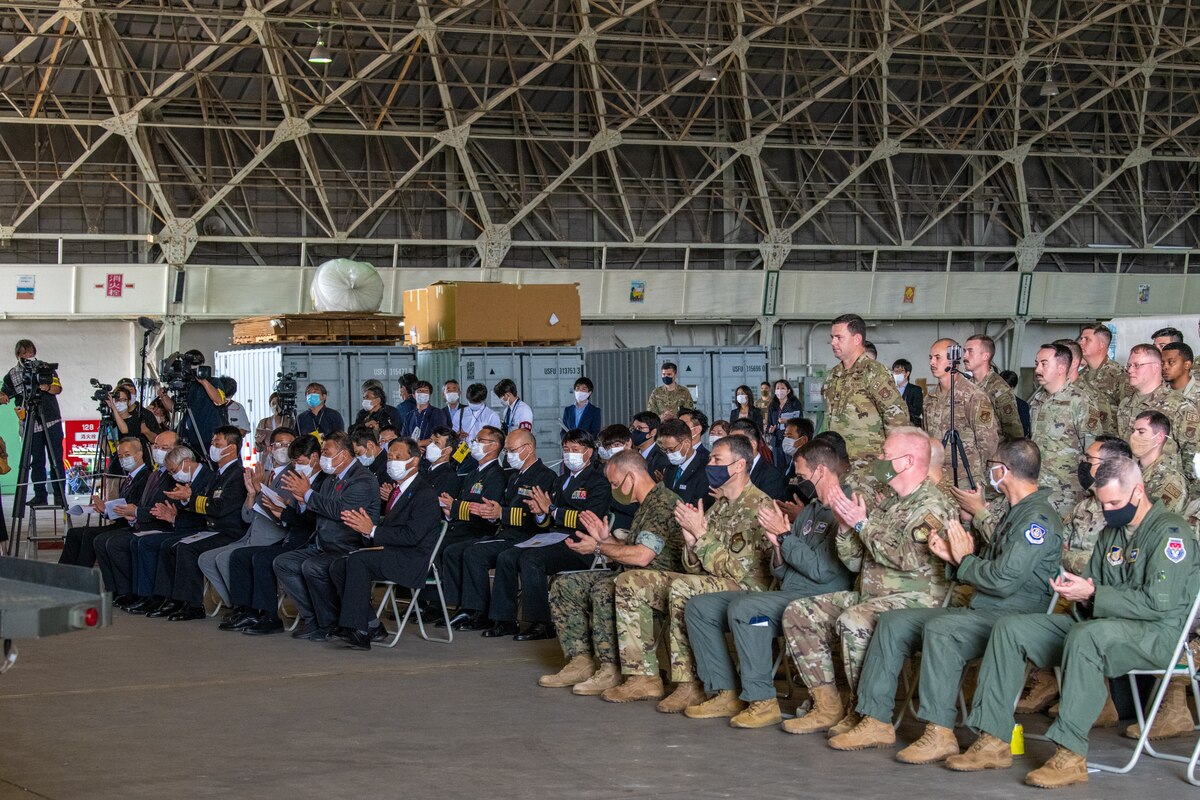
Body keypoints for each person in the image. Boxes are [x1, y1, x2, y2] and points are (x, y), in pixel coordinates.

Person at [948, 457, 1200, 789]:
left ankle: (1071, 754)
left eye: (1114, 503)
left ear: (1138, 491)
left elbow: (1158, 603)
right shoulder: (1112, 532)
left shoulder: (1171, 533)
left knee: (1086, 636)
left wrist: (1094, 594)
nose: (1108, 511)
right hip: (1103, 623)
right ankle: (994, 739)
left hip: (1158, 635)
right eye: (1103, 503)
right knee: (1011, 628)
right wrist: (1078, 593)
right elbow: (1095, 587)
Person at [828, 439, 1062, 762]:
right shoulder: (1013, 513)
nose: (988, 471)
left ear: (1004, 471)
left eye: (992, 464)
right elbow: (989, 569)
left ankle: (939, 731)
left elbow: (1004, 580)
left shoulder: (1038, 519)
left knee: (942, 628)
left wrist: (963, 561)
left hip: (1012, 614)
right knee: (893, 623)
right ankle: (875, 718)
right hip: (984, 607)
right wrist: (954, 557)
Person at [780, 426, 956, 736]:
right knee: (799, 612)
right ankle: (829, 705)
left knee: (854, 620)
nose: (879, 459)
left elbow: (905, 558)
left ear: (908, 461)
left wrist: (862, 524)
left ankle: (870, 715)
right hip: (873, 594)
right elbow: (856, 560)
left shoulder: (931, 505)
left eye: (886, 455)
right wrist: (848, 530)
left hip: (915, 601)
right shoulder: (890, 502)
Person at [682, 440, 854, 727]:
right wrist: (778, 544)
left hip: (821, 598)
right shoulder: (811, 509)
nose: (796, 482)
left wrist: (785, 538)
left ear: (821, 471)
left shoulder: (843, 509)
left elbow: (823, 572)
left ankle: (762, 700)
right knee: (700, 608)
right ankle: (725, 691)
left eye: (800, 476)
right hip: (788, 594)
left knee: (748, 611)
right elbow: (782, 572)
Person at [602, 434, 773, 710]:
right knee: (630, 581)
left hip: (747, 593)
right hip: (713, 584)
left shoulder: (759, 506)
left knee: (683, 588)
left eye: (718, 460)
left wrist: (702, 535)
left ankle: (689, 684)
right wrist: (692, 542)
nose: (710, 465)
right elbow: (694, 566)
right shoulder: (720, 508)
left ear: (739, 466)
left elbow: (738, 573)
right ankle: (642, 676)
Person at [540, 450, 686, 694]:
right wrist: (605, 539)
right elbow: (635, 550)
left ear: (631, 477)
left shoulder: (663, 503)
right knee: (564, 585)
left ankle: (612, 668)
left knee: (605, 588)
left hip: (660, 582)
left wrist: (598, 547)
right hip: (634, 574)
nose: (613, 488)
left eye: (615, 483)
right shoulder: (646, 503)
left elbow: (642, 556)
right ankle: (580, 661)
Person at [483, 429, 612, 641]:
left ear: (589, 452)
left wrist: (552, 510)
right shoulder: (561, 481)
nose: (570, 454)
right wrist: (541, 514)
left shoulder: (598, 482)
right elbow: (547, 519)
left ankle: (541, 622)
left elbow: (589, 519)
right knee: (506, 556)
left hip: (581, 542)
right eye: (566, 449)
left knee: (531, 559)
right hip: (553, 537)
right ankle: (504, 620)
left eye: (575, 450)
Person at [327, 437, 443, 650]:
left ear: (414, 461)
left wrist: (371, 530)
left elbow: (412, 536)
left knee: (358, 561)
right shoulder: (397, 491)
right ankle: (372, 625)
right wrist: (367, 528)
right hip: (392, 553)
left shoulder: (424, 494)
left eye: (398, 457)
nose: (392, 462)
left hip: (412, 559)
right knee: (338, 565)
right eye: (389, 457)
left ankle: (358, 631)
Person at [440, 427, 557, 631]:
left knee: (478, 553)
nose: (508, 455)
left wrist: (499, 514)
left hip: (529, 536)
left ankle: (492, 615)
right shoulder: (514, 478)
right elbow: (499, 509)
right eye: (508, 451)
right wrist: (492, 514)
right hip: (507, 533)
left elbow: (533, 517)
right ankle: (471, 608)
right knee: (459, 550)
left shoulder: (545, 476)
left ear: (528, 448)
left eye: (512, 450)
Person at [274, 431, 381, 641]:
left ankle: (330, 623)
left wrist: (308, 494)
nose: (322, 455)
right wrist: (303, 501)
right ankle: (314, 617)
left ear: (343, 454)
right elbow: (319, 512)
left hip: (349, 545)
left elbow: (341, 511)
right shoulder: (331, 480)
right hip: (324, 543)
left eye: (326, 451)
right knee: (283, 563)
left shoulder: (362, 479)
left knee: (312, 566)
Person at [150, 426, 249, 621]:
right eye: (212, 443)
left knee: (187, 549)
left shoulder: (237, 474)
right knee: (173, 546)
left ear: (231, 448)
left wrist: (190, 498)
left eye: (217, 443)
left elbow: (219, 507)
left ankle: (192, 605)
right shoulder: (220, 473)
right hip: (212, 529)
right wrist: (188, 499)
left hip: (230, 532)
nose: (212, 447)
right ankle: (174, 599)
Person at [229, 436, 325, 636]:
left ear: (314, 457)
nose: (296, 467)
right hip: (291, 535)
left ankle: (270, 616)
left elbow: (314, 519)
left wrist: (285, 512)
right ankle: (247, 610)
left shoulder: (323, 482)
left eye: (300, 462)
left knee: (263, 559)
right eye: (294, 462)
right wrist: (281, 508)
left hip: (308, 539)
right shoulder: (296, 479)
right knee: (241, 555)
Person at [200, 427, 296, 615]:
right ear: (269, 448)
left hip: (272, 537)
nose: (283, 449)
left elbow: (283, 516)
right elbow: (247, 516)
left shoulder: (293, 477)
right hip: (250, 535)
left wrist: (260, 491)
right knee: (207, 559)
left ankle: (245, 607)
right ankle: (237, 603)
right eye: (279, 444)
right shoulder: (267, 474)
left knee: (226, 558)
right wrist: (252, 495)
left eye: (289, 445)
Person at [95, 430, 178, 608]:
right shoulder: (156, 474)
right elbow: (142, 504)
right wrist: (130, 514)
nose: (159, 451)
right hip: (143, 522)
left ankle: (141, 593)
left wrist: (136, 513)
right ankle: (120, 590)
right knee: (103, 540)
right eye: (156, 446)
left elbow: (163, 509)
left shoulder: (174, 476)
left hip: (162, 525)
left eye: (165, 447)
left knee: (126, 543)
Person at [823, 314, 909, 465]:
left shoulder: (873, 371)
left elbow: (896, 416)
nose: (833, 342)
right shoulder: (833, 375)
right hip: (839, 463)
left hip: (869, 466)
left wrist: (892, 459)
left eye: (839, 337)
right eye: (832, 337)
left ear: (857, 339)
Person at [1118, 343, 1200, 501]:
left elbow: (1194, 459)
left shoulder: (1180, 406)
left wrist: (1192, 506)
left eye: (1137, 365)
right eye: (1129, 365)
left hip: (1166, 495)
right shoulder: (1125, 405)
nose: (1130, 370)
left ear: (1155, 367)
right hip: (1130, 492)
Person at [1028, 343, 1102, 516]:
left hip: (1068, 494)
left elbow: (1093, 452)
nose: (1038, 369)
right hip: (1039, 489)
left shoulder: (1080, 401)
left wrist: (1092, 491)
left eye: (1044, 364)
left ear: (1061, 368)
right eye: (1037, 363)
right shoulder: (1037, 400)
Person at [59, 436, 150, 568]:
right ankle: (63, 575)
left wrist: (107, 509)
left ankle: (80, 578)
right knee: (73, 533)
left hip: (132, 525)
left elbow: (134, 506)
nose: (123, 459)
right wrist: (103, 508)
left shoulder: (146, 476)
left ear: (139, 454)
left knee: (90, 535)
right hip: (121, 521)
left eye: (127, 455)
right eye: (120, 456)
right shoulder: (129, 477)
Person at [923, 338, 999, 492]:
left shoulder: (973, 396)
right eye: (930, 358)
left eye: (938, 358)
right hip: (937, 476)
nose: (932, 362)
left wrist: (985, 477)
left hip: (967, 476)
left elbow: (988, 441)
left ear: (953, 360)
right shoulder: (929, 399)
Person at [0, 339, 66, 505]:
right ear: (18, 355)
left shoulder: (45, 368)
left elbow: (58, 388)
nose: (28, 356)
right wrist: (3, 397)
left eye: (30, 352)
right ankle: (40, 496)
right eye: (24, 353)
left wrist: (47, 387)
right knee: (37, 461)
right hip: (30, 422)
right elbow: (3, 393)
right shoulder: (12, 374)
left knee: (56, 459)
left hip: (51, 420)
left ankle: (60, 495)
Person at [156, 349, 227, 456]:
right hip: (190, 436)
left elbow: (219, 400)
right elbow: (174, 408)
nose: (193, 369)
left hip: (209, 435)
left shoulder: (213, 382)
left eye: (197, 365)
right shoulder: (187, 384)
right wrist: (163, 396)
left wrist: (203, 381)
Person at [963, 334, 1024, 442]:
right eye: (965, 351)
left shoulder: (999, 389)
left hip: (994, 454)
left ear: (985, 356)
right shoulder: (967, 386)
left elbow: (1014, 432)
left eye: (970, 351)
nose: (965, 356)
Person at [1131, 411, 1188, 513]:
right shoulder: (1129, 470)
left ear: (1159, 437)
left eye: (1141, 432)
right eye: (1133, 431)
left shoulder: (1171, 479)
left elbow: (1158, 521)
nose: (1133, 436)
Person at [728, 419, 788, 500]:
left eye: (737, 443)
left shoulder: (772, 477)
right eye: (729, 443)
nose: (731, 448)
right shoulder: (730, 470)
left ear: (753, 444)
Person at [658, 418, 710, 508]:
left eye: (671, 449)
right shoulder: (669, 469)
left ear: (687, 444)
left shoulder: (706, 470)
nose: (668, 454)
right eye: (665, 450)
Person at [1076, 322, 1127, 413]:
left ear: (1101, 345)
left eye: (1087, 339)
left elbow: (1127, 411)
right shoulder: (1080, 374)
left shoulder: (1119, 374)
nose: (1081, 342)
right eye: (1081, 339)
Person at [765, 379, 803, 465]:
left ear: (788, 391)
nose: (780, 391)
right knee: (778, 467)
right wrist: (770, 430)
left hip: (790, 440)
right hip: (777, 441)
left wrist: (787, 421)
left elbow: (801, 422)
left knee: (791, 465)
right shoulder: (772, 406)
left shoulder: (795, 404)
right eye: (777, 388)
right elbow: (769, 424)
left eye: (782, 388)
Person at [421, 426, 464, 498]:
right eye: (431, 441)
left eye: (436, 443)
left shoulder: (449, 478)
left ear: (448, 450)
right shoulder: (422, 468)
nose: (431, 446)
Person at [404, 380, 450, 447]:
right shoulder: (409, 415)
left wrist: (418, 444)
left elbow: (441, 436)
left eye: (426, 391)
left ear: (429, 395)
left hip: (432, 453)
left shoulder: (438, 413)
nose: (423, 393)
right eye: (419, 391)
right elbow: (404, 438)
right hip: (412, 453)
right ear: (413, 395)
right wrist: (414, 448)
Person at [458, 382, 501, 446]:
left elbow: (496, 440)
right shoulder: (460, 413)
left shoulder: (492, 416)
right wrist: (458, 436)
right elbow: (453, 435)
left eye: (476, 403)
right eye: (471, 402)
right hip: (463, 453)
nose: (473, 404)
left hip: (483, 453)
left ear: (483, 399)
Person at [630, 410, 671, 478]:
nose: (634, 432)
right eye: (633, 428)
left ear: (653, 432)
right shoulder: (631, 454)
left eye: (639, 428)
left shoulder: (662, 459)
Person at [892, 359, 924, 429]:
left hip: (909, 427)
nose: (897, 373)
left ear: (907, 373)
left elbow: (918, 411)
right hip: (892, 427)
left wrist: (903, 405)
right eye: (895, 371)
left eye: (901, 371)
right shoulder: (890, 389)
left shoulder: (915, 389)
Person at [999, 370, 1031, 438]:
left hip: (1014, 443)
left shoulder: (1022, 405)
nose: (1002, 392)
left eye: (1005, 388)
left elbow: (1024, 430)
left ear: (1013, 387)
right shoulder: (991, 402)